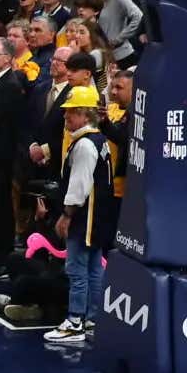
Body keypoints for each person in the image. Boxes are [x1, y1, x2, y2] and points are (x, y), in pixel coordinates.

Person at [46, 84, 116, 349]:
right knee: (95, 270)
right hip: (98, 218)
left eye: (72, 112)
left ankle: (75, 321)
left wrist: (66, 215)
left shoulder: (85, 145)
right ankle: (93, 321)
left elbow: (79, 186)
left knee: (77, 270)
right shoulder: (99, 139)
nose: (66, 116)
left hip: (84, 218)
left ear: (86, 114)